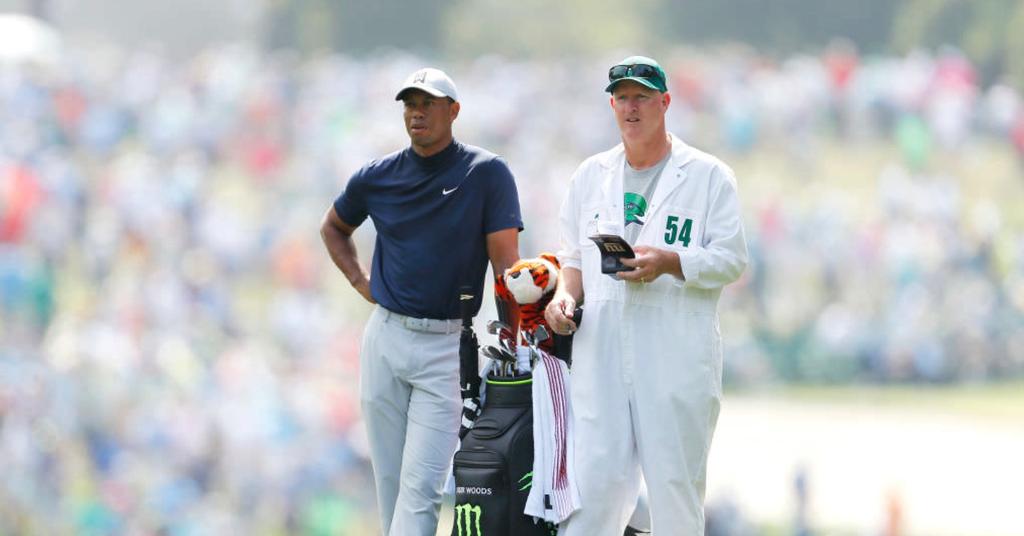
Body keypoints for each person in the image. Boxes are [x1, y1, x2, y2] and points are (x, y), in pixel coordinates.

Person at [544, 56, 748, 535]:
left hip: (675, 353)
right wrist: (563, 300)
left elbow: (732, 259)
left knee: (675, 491)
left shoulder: (708, 176)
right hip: (603, 352)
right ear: (612, 105)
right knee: (592, 493)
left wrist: (670, 263)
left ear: (665, 102)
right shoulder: (590, 175)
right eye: (622, 98)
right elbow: (572, 258)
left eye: (641, 97)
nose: (631, 107)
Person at [320, 67, 522, 535]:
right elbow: (334, 227)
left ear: (453, 111)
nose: (417, 113)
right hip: (385, 338)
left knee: (423, 487)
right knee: (391, 484)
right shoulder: (378, 176)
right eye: (410, 104)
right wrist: (358, 280)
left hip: (445, 347)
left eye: (428, 104)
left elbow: (506, 265)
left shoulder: (486, 173)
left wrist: (514, 331)